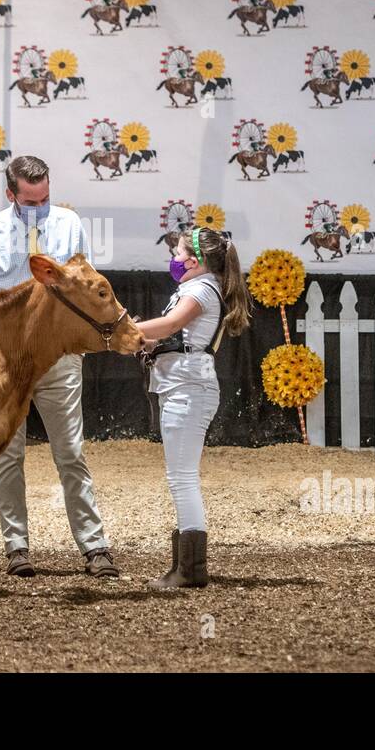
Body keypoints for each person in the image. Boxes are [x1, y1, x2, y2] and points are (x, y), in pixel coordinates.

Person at [0, 155, 120, 579]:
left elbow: (83, 290)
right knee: (8, 456)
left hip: (59, 358)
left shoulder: (70, 224)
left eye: (45, 198)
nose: (40, 208)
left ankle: (94, 545)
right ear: (10, 194)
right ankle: (17, 547)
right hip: (6, 366)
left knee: (71, 452)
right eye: (31, 200)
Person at [135, 227, 252, 588]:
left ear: (195, 260)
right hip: (182, 384)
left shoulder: (201, 289)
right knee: (180, 477)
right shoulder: (195, 288)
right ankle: (186, 565)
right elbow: (173, 335)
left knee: (182, 478)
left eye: (179, 252)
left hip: (189, 387)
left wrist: (124, 329)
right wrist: (144, 342)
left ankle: (191, 568)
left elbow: (171, 324)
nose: (174, 258)